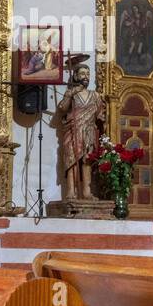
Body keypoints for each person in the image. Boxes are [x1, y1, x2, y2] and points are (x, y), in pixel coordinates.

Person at [52, 54, 105, 200]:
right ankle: (71, 191)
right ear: (75, 76)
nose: (86, 76)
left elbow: (100, 114)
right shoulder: (71, 93)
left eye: (88, 74)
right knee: (71, 160)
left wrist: (103, 119)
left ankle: (86, 192)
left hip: (88, 132)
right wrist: (70, 95)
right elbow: (62, 109)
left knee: (87, 161)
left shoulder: (95, 96)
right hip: (73, 131)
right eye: (82, 73)